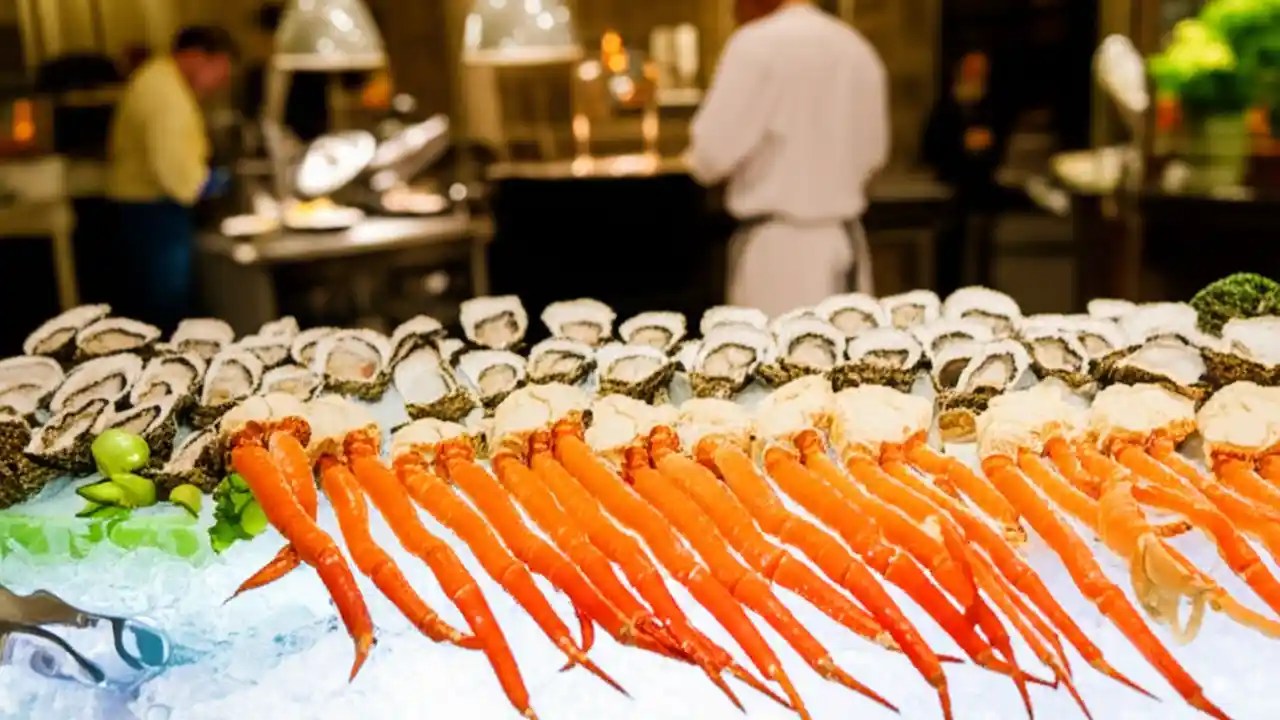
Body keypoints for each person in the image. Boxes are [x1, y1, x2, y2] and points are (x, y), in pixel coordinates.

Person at [685, 0, 889, 316]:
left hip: (778, 257)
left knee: (780, 363)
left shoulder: (755, 45)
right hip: (844, 243)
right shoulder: (857, 48)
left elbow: (709, 156)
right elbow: (875, 156)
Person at [107, 27, 236, 332]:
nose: (221, 81)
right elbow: (174, 169)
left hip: (150, 209)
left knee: (158, 302)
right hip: (153, 213)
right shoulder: (163, 93)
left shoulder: (162, 79)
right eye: (219, 70)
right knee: (165, 306)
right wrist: (213, 184)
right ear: (195, 56)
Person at [922, 50, 1007, 296]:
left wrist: (987, 144)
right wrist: (960, 143)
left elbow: (1000, 146)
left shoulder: (992, 107)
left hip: (983, 195)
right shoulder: (945, 108)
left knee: (983, 260)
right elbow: (930, 148)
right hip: (951, 195)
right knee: (950, 259)